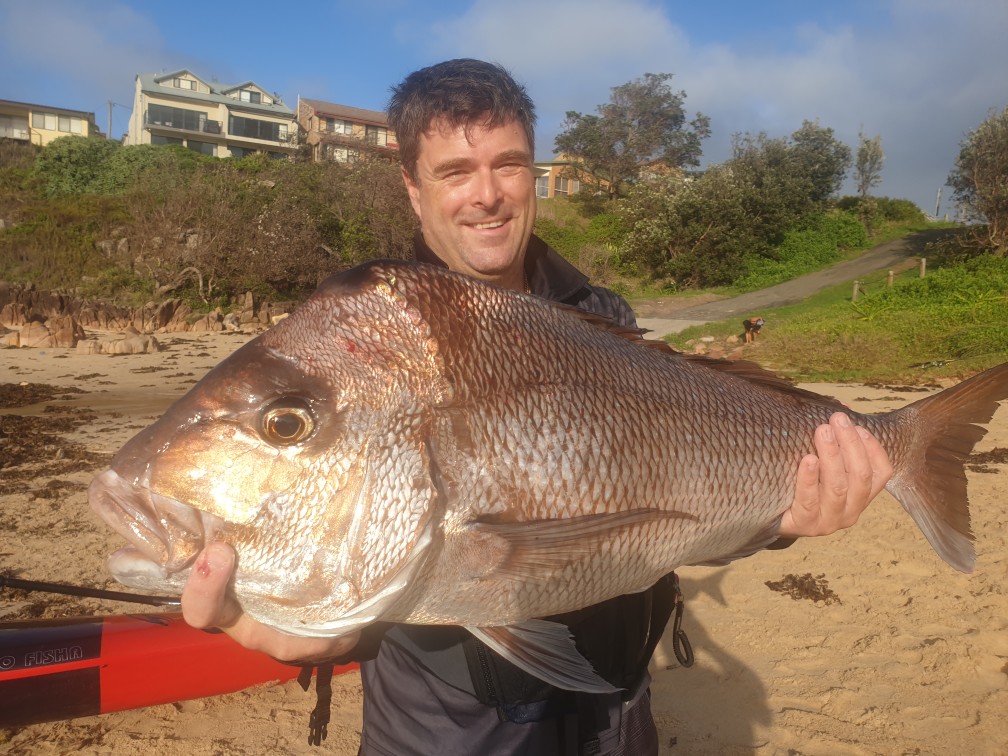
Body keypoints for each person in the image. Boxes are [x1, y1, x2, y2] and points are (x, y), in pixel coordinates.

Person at [182, 59, 893, 754]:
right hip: (452, 726)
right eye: (454, 172)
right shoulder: (366, 337)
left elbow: (680, 494)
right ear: (412, 189)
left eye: (509, 164)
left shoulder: (603, 317)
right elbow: (376, 529)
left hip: (619, 705)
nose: (487, 194)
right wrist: (325, 623)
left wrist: (782, 520)